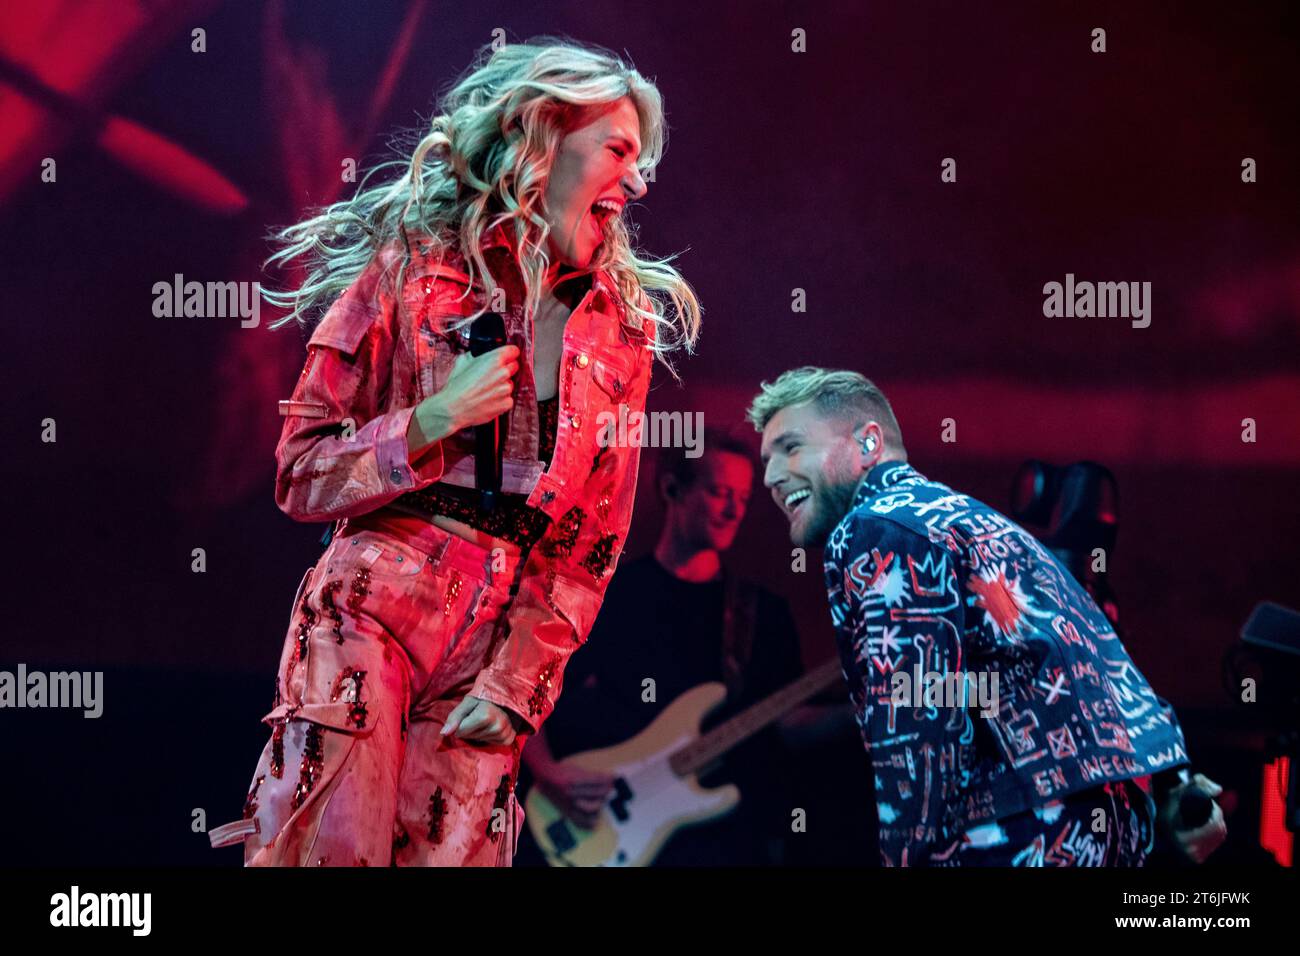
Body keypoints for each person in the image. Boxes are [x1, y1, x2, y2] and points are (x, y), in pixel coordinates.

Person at [208, 39, 701, 867]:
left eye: (642, 160)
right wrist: (428, 421)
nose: (639, 180)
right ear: (544, 137)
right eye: (618, 149)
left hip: (491, 649)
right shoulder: (413, 263)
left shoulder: (624, 330)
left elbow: (591, 547)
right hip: (370, 608)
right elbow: (300, 468)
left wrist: (518, 689)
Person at [747, 367, 1227, 866]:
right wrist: (1175, 783)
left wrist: (906, 854)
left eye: (792, 447)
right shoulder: (987, 525)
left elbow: (916, 728)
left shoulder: (875, 527)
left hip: (1012, 833)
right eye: (767, 459)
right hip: (1106, 831)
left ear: (869, 444)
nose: (771, 476)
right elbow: (1101, 660)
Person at [521, 431, 853, 865]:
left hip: (714, 845)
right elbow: (528, 686)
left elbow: (787, 723)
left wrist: (859, 715)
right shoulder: (609, 595)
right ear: (672, 488)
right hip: (595, 823)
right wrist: (549, 773)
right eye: (719, 492)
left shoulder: (760, 612)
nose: (735, 509)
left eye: (743, 496)